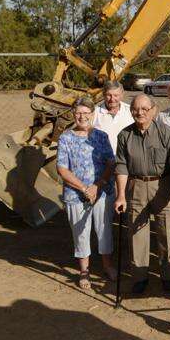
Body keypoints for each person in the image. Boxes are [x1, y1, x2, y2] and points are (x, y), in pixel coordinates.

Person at [113, 94, 170, 295]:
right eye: (136, 109)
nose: (140, 113)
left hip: (163, 186)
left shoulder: (166, 133)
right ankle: (140, 277)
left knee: (166, 232)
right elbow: (121, 167)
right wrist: (121, 195)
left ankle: (168, 275)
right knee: (137, 234)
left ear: (153, 110)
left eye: (144, 109)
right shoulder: (124, 136)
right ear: (131, 112)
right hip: (136, 186)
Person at [56, 97, 116, 289]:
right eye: (78, 112)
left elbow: (110, 163)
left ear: (92, 114)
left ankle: (107, 265)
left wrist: (97, 185)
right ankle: (84, 271)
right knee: (80, 233)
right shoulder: (66, 138)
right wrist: (83, 188)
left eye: (86, 113)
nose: (82, 116)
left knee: (104, 230)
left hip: (101, 192)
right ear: (74, 114)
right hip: (75, 194)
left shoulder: (101, 136)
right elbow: (62, 169)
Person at [93, 80, 134, 153]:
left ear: (122, 95)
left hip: (126, 158)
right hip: (102, 160)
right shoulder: (94, 113)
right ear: (103, 95)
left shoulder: (131, 111)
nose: (112, 99)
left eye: (116, 95)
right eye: (109, 95)